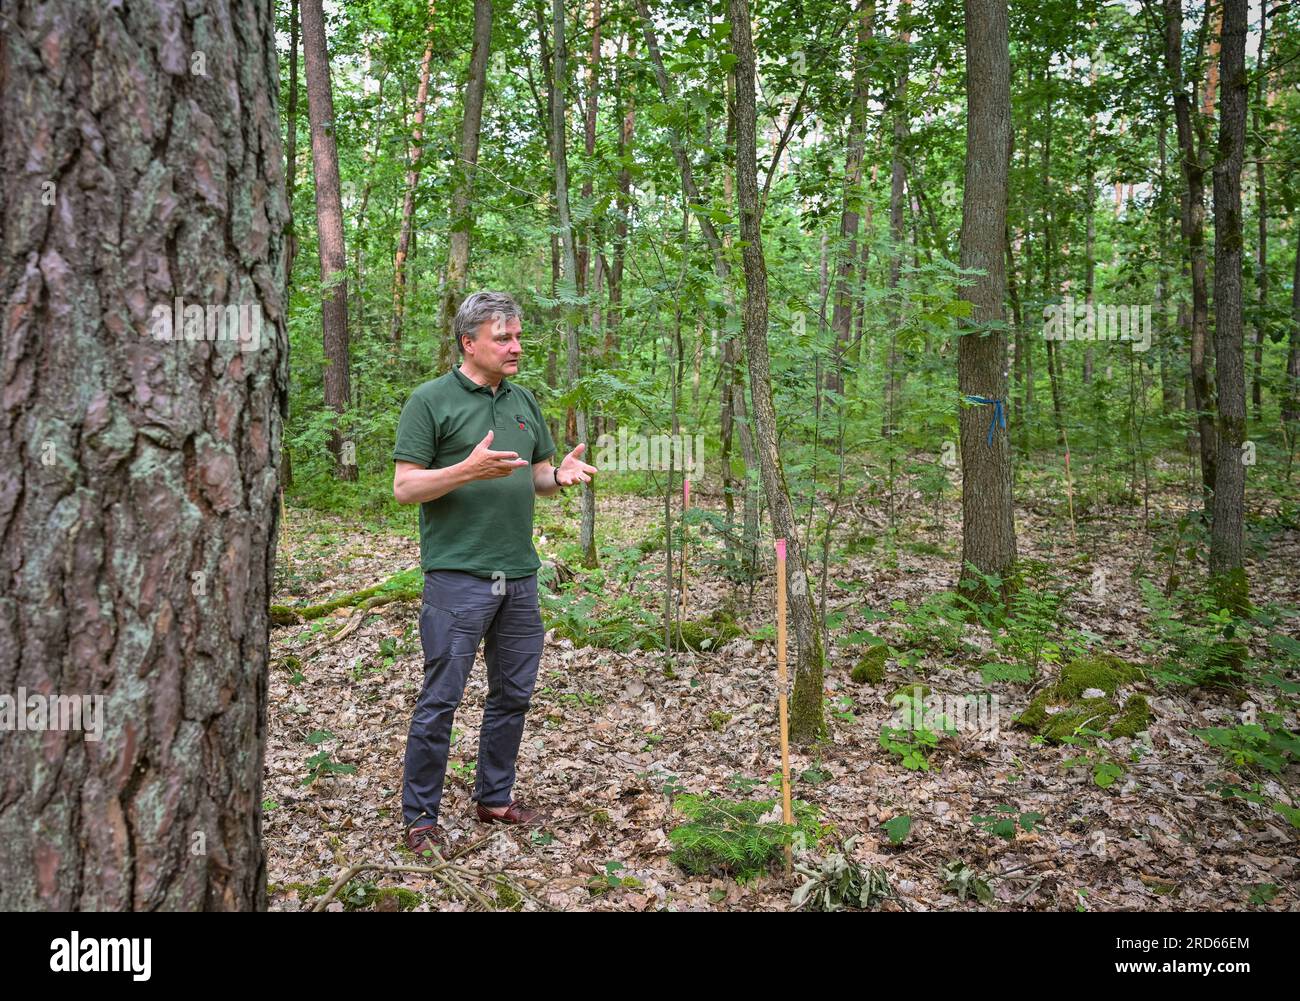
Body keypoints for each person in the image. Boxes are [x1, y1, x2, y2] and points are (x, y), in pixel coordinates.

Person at [391, 291, 597, 856]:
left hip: (519, 576)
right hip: (458, 577)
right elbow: (406, 487)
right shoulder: (430, 401)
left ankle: (494, 797)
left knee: (512, 695)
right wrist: (464, 469)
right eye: (503, 337)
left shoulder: (524, 401)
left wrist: (561, 475)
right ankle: (420, 817)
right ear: (468, 342)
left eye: (518, 336)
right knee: (441, 699)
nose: (515, 346)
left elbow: (534, 477)